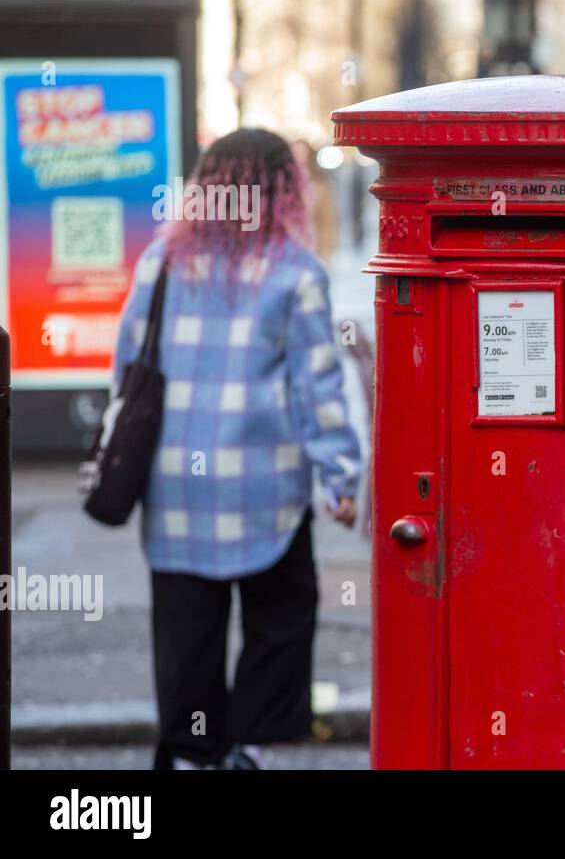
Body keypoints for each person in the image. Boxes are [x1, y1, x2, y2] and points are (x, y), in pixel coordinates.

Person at [111, 128, 361, 769]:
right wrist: (340, 476)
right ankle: (250, 745)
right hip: (264, 490)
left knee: (185, 633)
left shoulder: (160, 262)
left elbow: (128, 373)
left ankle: (192, 754)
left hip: (176, 490)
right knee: (280, 620)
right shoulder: (295, 272)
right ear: (283, 191)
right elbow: (317, 390)